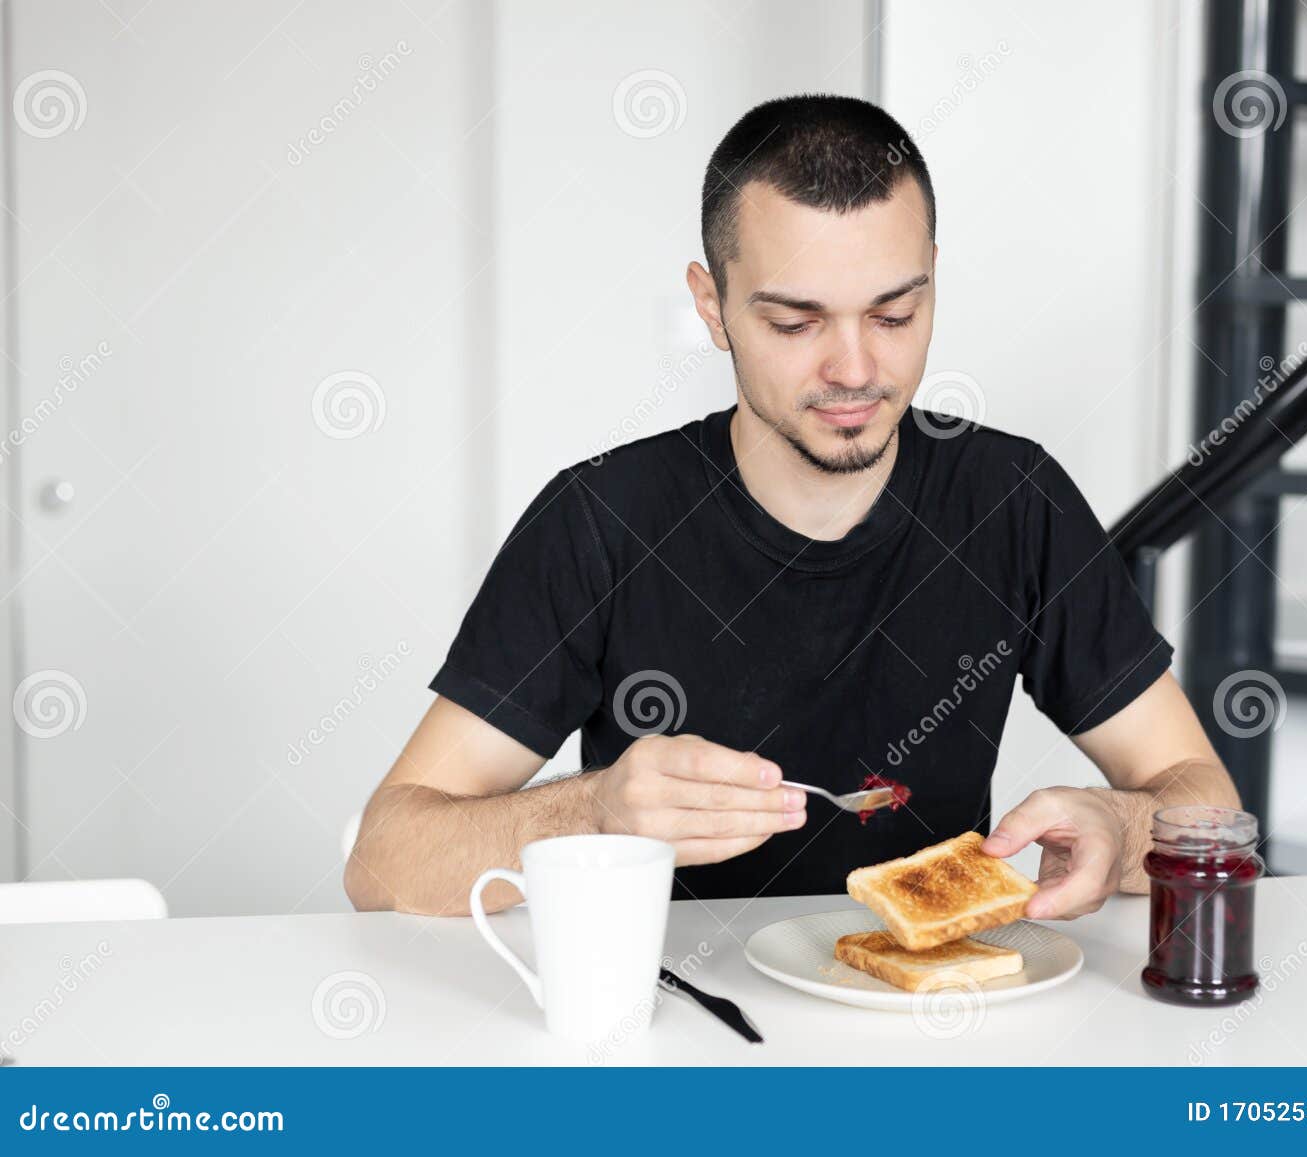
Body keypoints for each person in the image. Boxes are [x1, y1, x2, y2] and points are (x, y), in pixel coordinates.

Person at [345, 93, 1240, 919]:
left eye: (893, 314)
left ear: (932, 279)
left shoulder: (1012, 500)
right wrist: (594, 810)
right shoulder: (601, 520)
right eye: (795, 323)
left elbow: (1202, 794)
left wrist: (1122, 831)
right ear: (712, 305)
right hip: (669, 1030)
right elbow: (382, 864)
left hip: (930, 1022)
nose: (854, 370)